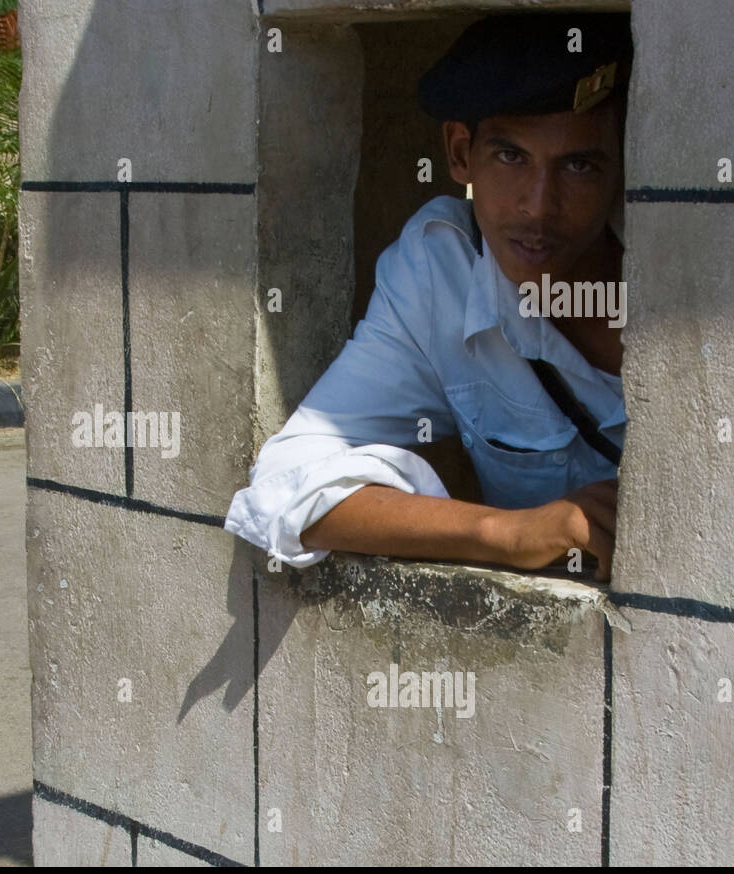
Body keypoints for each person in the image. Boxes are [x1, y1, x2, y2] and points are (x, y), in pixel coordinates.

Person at [224, 12, 632, 582]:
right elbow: (284, 484)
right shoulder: (441, 271)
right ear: (460, 153)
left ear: (623, 168)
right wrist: (510, 532)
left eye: (579, 165)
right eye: (511, 156)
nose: (539, 206)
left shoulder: (689, 276)